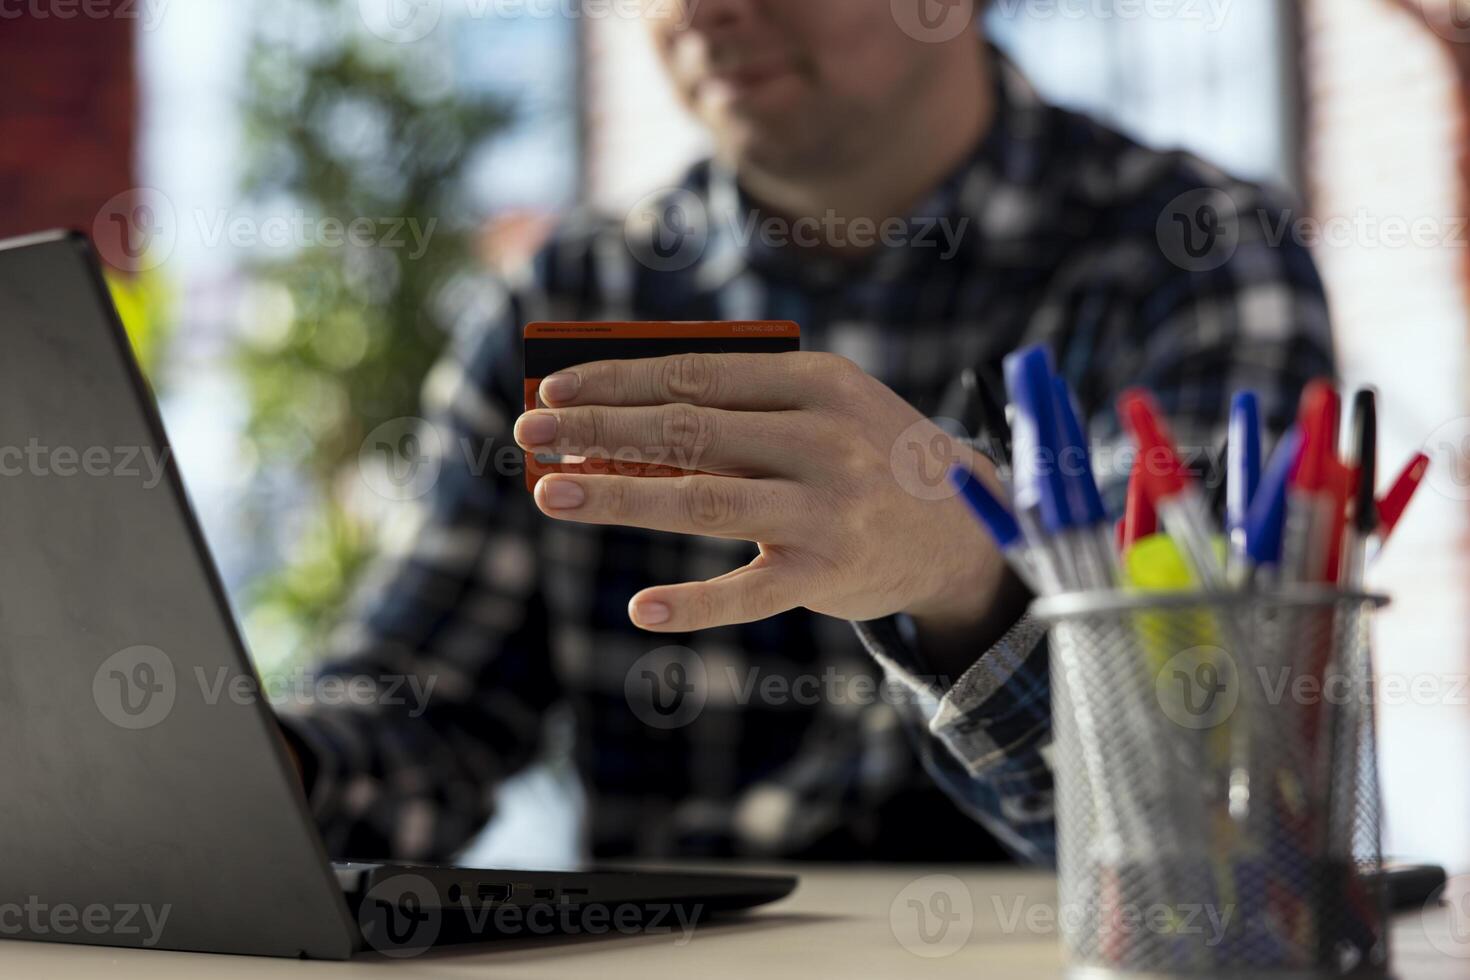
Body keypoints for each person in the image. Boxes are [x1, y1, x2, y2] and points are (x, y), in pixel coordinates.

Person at [279, 0, 1332, 866]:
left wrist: (970, 581)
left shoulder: (1191, 258)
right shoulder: (567, 294)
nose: (699, 12)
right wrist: (252, 771)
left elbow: (1212, 800)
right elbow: (421, 710)